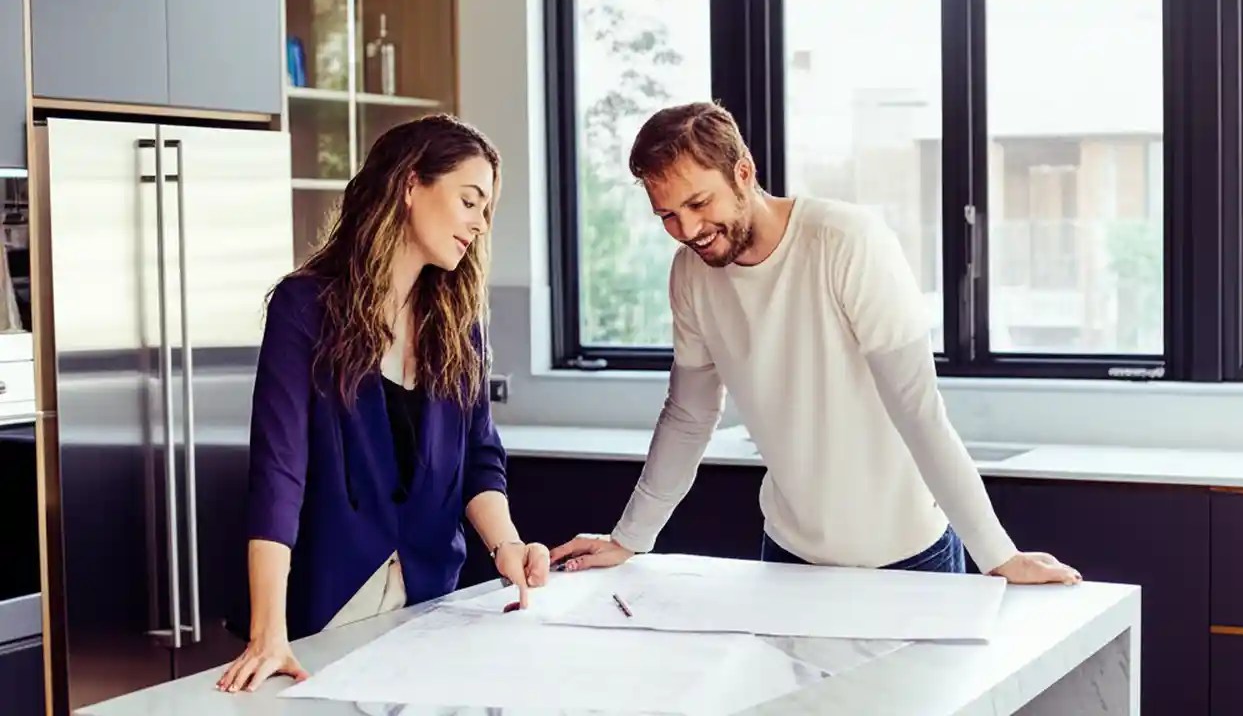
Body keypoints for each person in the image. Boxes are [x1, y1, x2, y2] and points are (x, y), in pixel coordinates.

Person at [550, 102, 1081, 586]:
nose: (687, 228)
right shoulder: (691, 275)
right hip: (788, 558)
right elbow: (689, 415)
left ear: (743, 173)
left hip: (909, 558)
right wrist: (629, 539)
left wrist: (998, 556)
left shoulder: (846, 241)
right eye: (667, 215)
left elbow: (919, 410)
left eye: (698, 202)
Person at [217, 114, 549, 694]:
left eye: (487, 210)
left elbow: (480, 459)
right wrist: (269, 633)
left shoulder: (458, 324)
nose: (480, 223)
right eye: (469, 200)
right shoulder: (305, 308)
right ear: (410, 184)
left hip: (428, 604)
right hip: (324, 608)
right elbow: (279, 472)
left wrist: (509, 545)